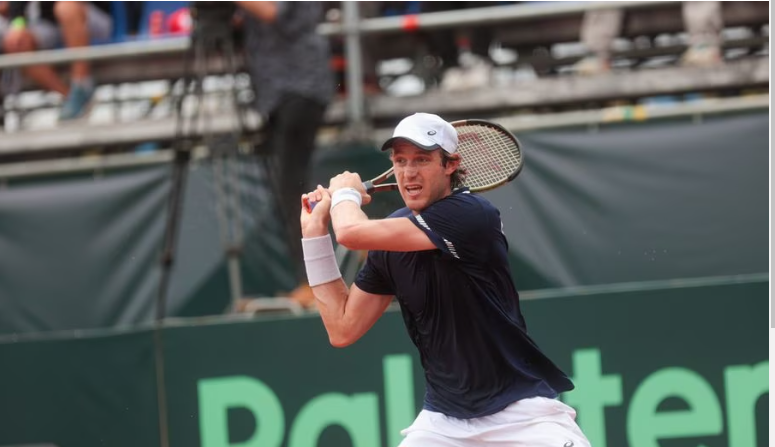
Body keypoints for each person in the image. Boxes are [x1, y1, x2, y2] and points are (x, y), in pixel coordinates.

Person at [299, 112, 591, 446]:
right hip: (444, 423)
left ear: (450, 165)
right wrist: (314, 236)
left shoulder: (471, 215)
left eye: (422, 159)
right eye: (400, 160)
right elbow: (342, 328)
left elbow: (350, 232)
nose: (409, 172)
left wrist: (344, 194)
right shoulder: (389, 240)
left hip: (521, 415)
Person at [236, 1, 334, 306]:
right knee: (290, 188)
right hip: (278, 92)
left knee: (295, 188)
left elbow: (271, 10)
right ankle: (313, 280)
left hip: (299, 87)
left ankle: (316, 282)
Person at [2, 1, 113, 120]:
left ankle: (82, 83)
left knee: (66, 8)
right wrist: (18, 25)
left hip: (91, 17)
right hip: (51, 25)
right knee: (15, 42)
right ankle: (72, 98)